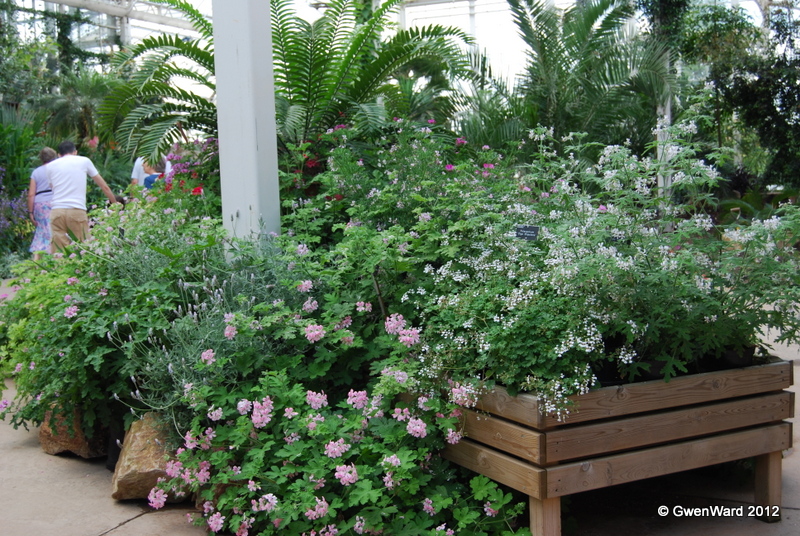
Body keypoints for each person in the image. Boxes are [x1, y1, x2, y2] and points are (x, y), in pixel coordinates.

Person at [47, 140, 119, 251]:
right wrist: (115, 203)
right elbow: (104, 186)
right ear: (75, 152)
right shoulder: (84, 161)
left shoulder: (50, 166)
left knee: (59, 252)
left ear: (59, 155)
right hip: (76, 210)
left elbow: (53, 188)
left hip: (57, 211)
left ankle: (59, 268)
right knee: (83, 250)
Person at [27, 147, 58, 260]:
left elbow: (31, 194)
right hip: (54, 201)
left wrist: (30, 212)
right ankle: (54, 260)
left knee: (41, 232)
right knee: (53, 232)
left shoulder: (36, 172)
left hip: (39, 203)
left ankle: (37, 263)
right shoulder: (57, 169)